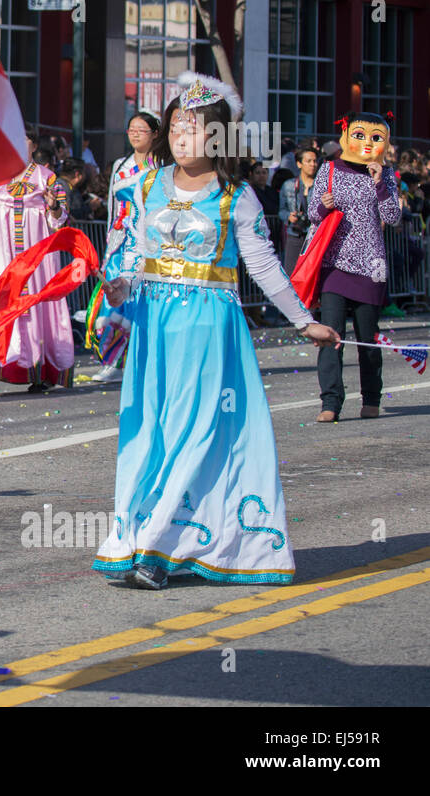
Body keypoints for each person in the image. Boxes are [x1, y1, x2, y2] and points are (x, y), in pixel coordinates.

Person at [93, 73, 339, 590]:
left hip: (208, 326)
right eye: (176, 127)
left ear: (218, 138)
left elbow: (264, 265)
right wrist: (118, 290)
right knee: (150, 433)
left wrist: (303, 320)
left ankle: (157, 552)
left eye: (194, 128)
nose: (182, 137)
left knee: (196, 432)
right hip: (153, 326)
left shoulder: (236, 196)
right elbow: (133, 252)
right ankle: (140, 537)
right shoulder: (144, 184)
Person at [308, 112, 402, 423]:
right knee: (331, 336)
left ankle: (371, 397)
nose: (367, 143)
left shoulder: (387, 175)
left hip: (371, 266)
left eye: (376, 138)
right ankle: (331, 401)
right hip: (334, 264)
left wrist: (379, 183)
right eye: (360, 135)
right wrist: (324, 204)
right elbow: (311, 213)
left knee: (367, 339)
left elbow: (392, 216)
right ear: (348, 137)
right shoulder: (330, 169)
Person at [0, 155, 73, 395]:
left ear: (33, 146)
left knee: (37, 309)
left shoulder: (47, 178)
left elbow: (59, 222)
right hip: (1, 256)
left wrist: (54, 206)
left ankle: (39, 372)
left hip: (36, 257)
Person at [85, 111, 163, 383]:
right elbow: (112, 207)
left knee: (143, 301)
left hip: (150, 240)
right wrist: (109, 244)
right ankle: (112, 361)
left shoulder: (162, 166)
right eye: (131, 129)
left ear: (155, 134)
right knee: (113, 297)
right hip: (121, 240)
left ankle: (141, 359)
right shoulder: (121, 164)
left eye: (142, 129)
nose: (135, 134)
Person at [279, 145, 318, 274]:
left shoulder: (320, 186)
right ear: (299, 164)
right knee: (291, 274)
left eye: (315, 161)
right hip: (294, 234)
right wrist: (289, 217)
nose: (313, 164)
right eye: (308, 161)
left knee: (312, 275)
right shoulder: (288, 185)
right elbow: (281, 210)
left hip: (314, 236)